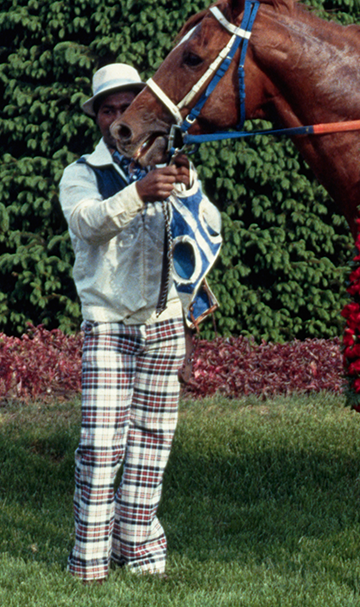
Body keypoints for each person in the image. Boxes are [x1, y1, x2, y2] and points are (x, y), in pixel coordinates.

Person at [59, 63, 219, 582]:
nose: (116, 117)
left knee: (152, 443)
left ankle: (141, 551)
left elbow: (210, 232)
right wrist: (138, 193)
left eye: (125, 106)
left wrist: (190, 192)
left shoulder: (172, 169)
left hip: (166, 323)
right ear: (98, 117)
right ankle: (89, 563)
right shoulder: (82, 172)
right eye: (108, 109)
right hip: (108, 324)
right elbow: (88, 224)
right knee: (102, 447)